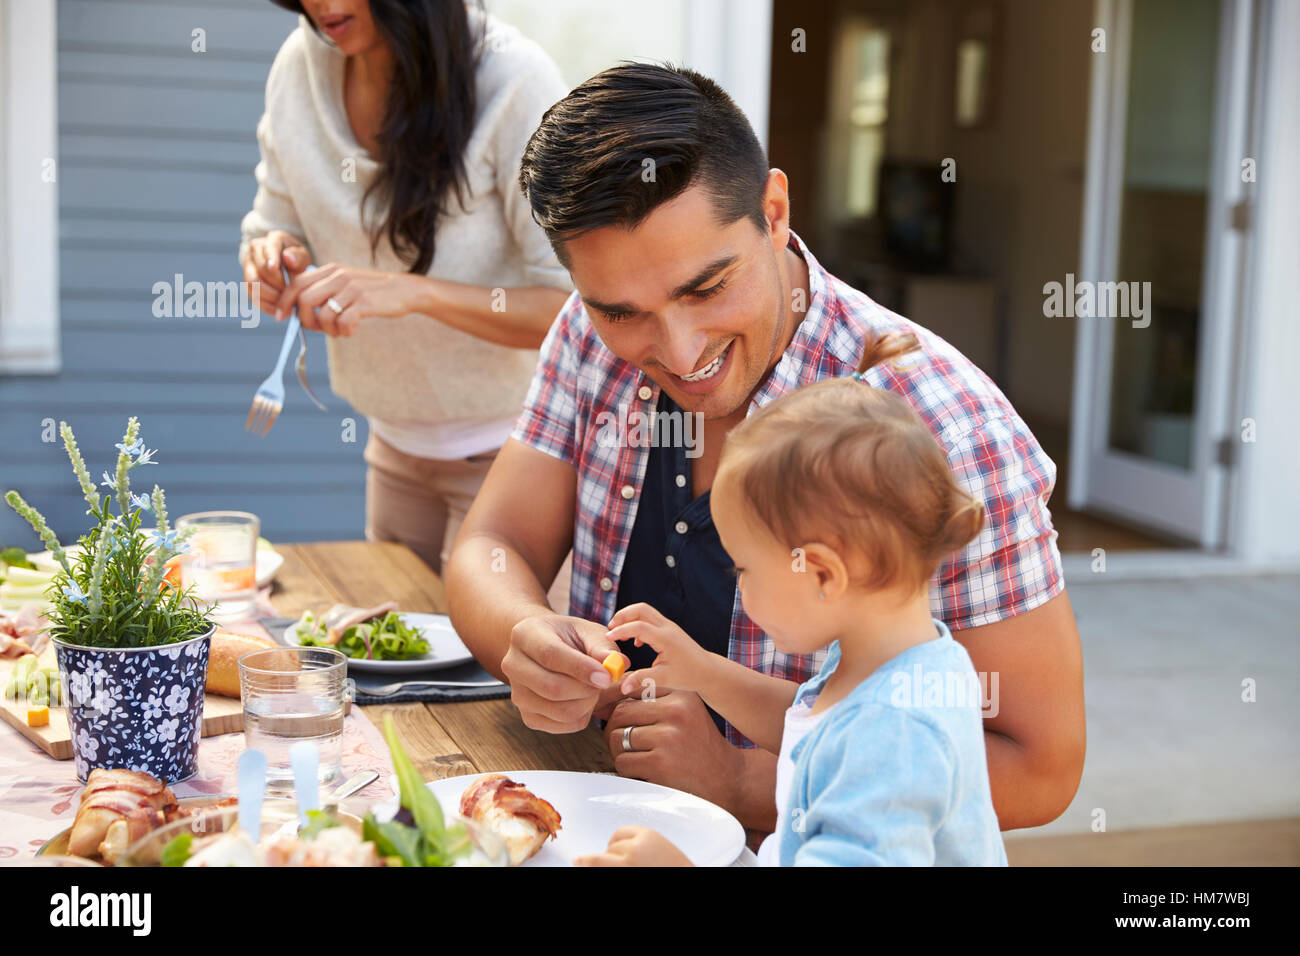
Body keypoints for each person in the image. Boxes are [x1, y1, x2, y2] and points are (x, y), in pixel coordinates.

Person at [445, 62, 1086, 834]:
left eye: (706, 288)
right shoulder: (585, 337)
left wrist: (741, 781)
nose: (679, 353)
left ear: (774, 211)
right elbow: (493, 542)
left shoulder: (947, 426)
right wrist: (523, 629)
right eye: (624, 313)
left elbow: (1038, 764)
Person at [575, 343, 1007, 865]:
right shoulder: (897, 661)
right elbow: (812, 721)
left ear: (822, 574)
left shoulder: (895, 736)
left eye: (745, 570)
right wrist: (702, 670)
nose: (740, 586)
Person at [239, 0, 573, 577]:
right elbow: (274, 221)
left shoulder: (515, 79)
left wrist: (415, 293)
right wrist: (271, 256)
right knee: (393, 658)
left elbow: (573, 309)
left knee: (499, 665)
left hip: (516, 457)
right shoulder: (300, 64)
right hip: (391, 447)